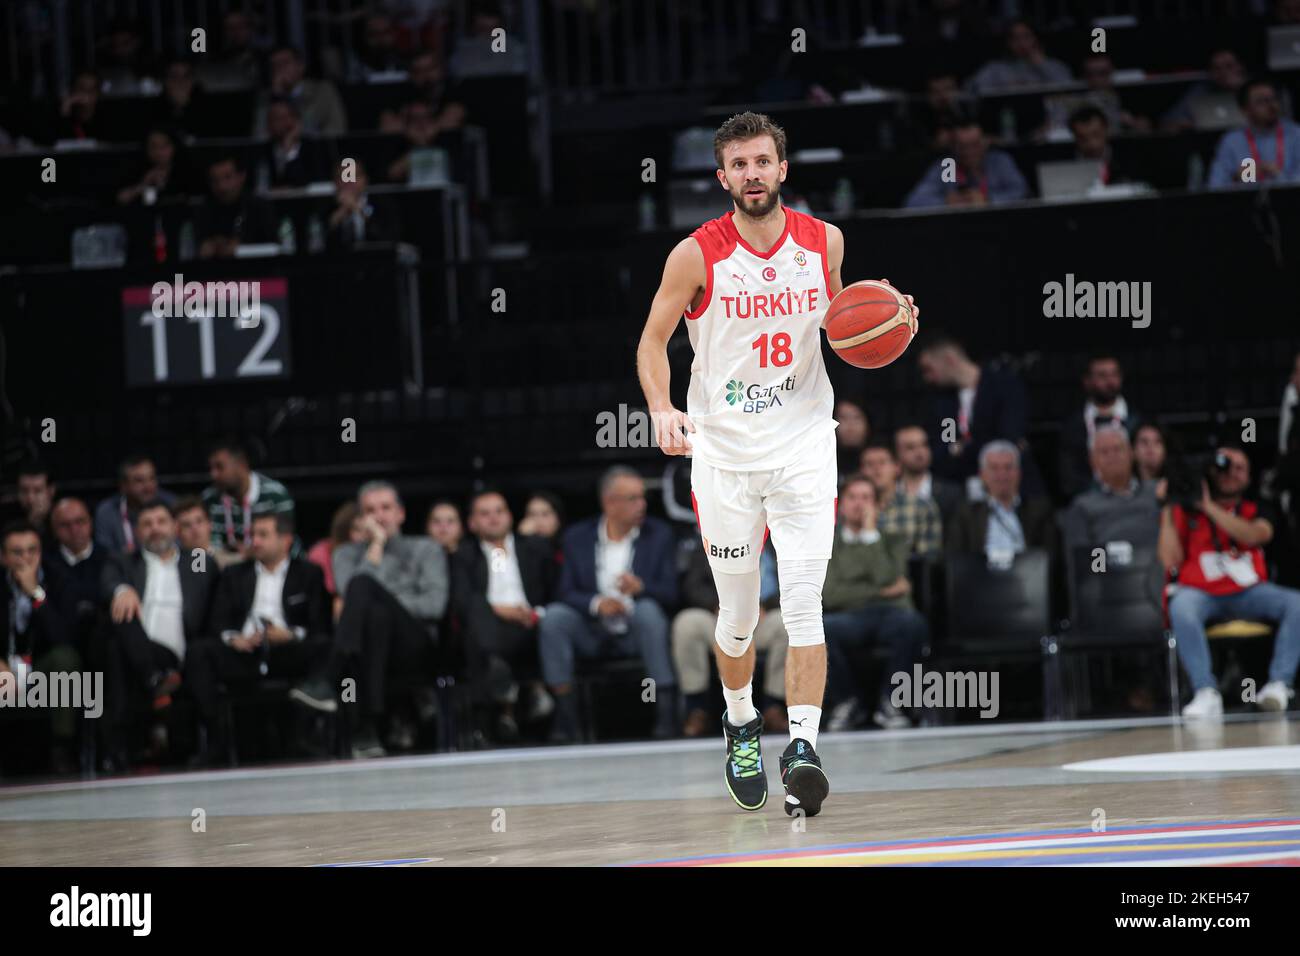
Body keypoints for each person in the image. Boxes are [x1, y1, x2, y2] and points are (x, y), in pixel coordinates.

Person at [635, 110, 919, 817]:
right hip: (724, 454)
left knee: (801, 606)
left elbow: (843, 320)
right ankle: (739, 724)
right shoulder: (695, 255)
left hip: (802, 446)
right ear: (723, 175)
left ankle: (801, 749)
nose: (752, 174)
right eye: (739, 164)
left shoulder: (825, 241)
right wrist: (662, 408)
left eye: (763, 161)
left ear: (782, 168)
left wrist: (890, 316)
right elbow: (651, 341)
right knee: (736, 617)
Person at [291, 481, 449, 758]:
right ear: (361, 519)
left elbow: (434, 605)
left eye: (386, 508)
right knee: (373, 617)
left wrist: (388, 601)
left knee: (369, 595)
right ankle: (367, 730)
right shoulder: (345, 554)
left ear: (400, 513)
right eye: (370, 510)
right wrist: (375, 545)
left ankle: (331, 676)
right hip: (369, 642)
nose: (379, 516)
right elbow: (351, 595)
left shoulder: (426, 548)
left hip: (414, 644)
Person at [537, 467, 678, 742]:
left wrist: (642, 588)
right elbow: (563, 591)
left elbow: (673, 593)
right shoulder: (577, 537)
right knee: (554, 618)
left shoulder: (659, 534)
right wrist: (596, 603)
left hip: (636, 629)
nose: (642, 505)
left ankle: (666, 715)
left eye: (643, 497)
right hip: (591, 628)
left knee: (649, 613)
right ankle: (566, 719)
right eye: (633, 498)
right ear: (610, 502)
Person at [1159, 446, 1300, 716]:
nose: (1231, 474)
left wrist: (1209, 507)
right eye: (1224, 467)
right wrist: (1168, 507)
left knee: (1296, 603)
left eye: (1239, 468)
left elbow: (1254, 535)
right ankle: (1205, 691)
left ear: (1249, 477)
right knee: (1180, 605)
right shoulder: (1186, 511)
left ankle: (1280, 684)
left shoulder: (1257, 506)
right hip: (1201, 593)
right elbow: (1169, 560)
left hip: (1250, 592)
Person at [187, 511, 331, 764]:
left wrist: (290, 634)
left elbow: (319, 623)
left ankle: (309, 737)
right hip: (245, 651)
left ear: (286, 540)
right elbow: (217, 621)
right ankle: (216, 739)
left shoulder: (308, 573)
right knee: (199, 651)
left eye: (263, 535)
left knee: (325, 646)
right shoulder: (234, 574)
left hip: (287, 650)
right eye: (253, 535)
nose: (255, 541)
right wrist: (235, 639)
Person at [822, 475, 925, 731]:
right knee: (821, 629)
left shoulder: (893, 541)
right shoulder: (827, 542)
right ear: (841, 504)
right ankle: (846, 703)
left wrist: (870, 535)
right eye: (853, 498)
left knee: (912, 624)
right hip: (845, 617)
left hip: (888, 614)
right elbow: (831, 594)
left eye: (866, 498)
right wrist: (882, 590)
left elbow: (893, 584)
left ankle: (891, 702)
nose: (859, 504)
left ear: (877, 505)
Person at [453, 490, 557, 742]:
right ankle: (499, 672)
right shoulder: (464, 555)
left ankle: (498, 687)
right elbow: (462, 602)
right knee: (478, 608)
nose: (493, 518)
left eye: (499, 511)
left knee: (484, 639)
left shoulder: (535, 547)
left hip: (531, 625)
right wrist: (499, 610)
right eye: (485, 513)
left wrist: (535, 614)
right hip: (488, 626)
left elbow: (557, 590)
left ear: (510, 516)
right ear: (472, 523)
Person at [917, 334, 1043, 497]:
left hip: (1010, 487)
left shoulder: (1004, 385)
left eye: (929, 369)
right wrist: (957, 447)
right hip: (963, 489)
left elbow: (1008, 436)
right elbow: (946, 445)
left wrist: (962, 447)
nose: (927, 378)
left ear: (949, 359)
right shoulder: (944, 403)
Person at [1, 521, 80, 774]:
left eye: (32, 551)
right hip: (3, 668)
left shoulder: (60, 579)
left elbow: (64, 637)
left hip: (39, 670)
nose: (25, 558)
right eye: (17, 552)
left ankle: (62, 748)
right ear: (2, 557)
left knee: (66, 658)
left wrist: (35, 593)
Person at [945, 441, 1056, 559]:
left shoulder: (1039, 511)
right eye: (994, 468)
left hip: (1027, 574)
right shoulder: (966, 514)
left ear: (1019, 473)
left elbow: (1050, 557)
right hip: (979, 575)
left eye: (1008, 467)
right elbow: (954, 559)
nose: (1002, 475)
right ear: (982, 475)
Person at [1058, 353, 1144, 500]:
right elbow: (1068, 477)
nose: (1110, 381)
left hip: (1134, 498)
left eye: (1114, 374)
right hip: (1089, 503)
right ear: (1087, 381)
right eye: (1102, 376)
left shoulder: (1138, 421)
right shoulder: (1073, 426)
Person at [201, 438, 297, 564]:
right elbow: (206, 544)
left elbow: (285, 540)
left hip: (268, 564)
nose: (213, 474)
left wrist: (253, 551)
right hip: (224, 567)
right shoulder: (209, 498)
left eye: (220, 467)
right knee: (198, 558)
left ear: (242, 465)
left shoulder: (275, 494)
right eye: (211, 468)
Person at [904, 121, 1029, 208]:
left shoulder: (999, 162)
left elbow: (1022, 192)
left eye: (974, 145)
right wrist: (946, 202)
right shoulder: (947, 166)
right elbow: (913, 201)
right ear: (954, 147)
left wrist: (987, 200)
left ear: (985, 143)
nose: (969, 152)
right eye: (963, 147)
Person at [1207, 77, 1300, 188]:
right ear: (1245, 110)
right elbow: (1214, 185)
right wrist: (1235, 178)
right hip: (1243, 202)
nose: (1271, 105)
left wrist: (1278, 175)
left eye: (1273, 99)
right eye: (1261, 101)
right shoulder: (1231, 141)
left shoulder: (1296, 134)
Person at [195, 155, 277, 258]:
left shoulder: (260, 207)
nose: (222, 186)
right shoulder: (204, 209)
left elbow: (273, 247)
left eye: (227, 177)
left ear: (241, 176)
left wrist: (240, 249)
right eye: (215, 180)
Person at [94, 455, 176, 556]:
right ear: (124, 486)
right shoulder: (107, 512)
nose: (148, 486)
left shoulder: (171, 503)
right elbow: (104, 553)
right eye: (139, 481)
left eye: (151, 478)